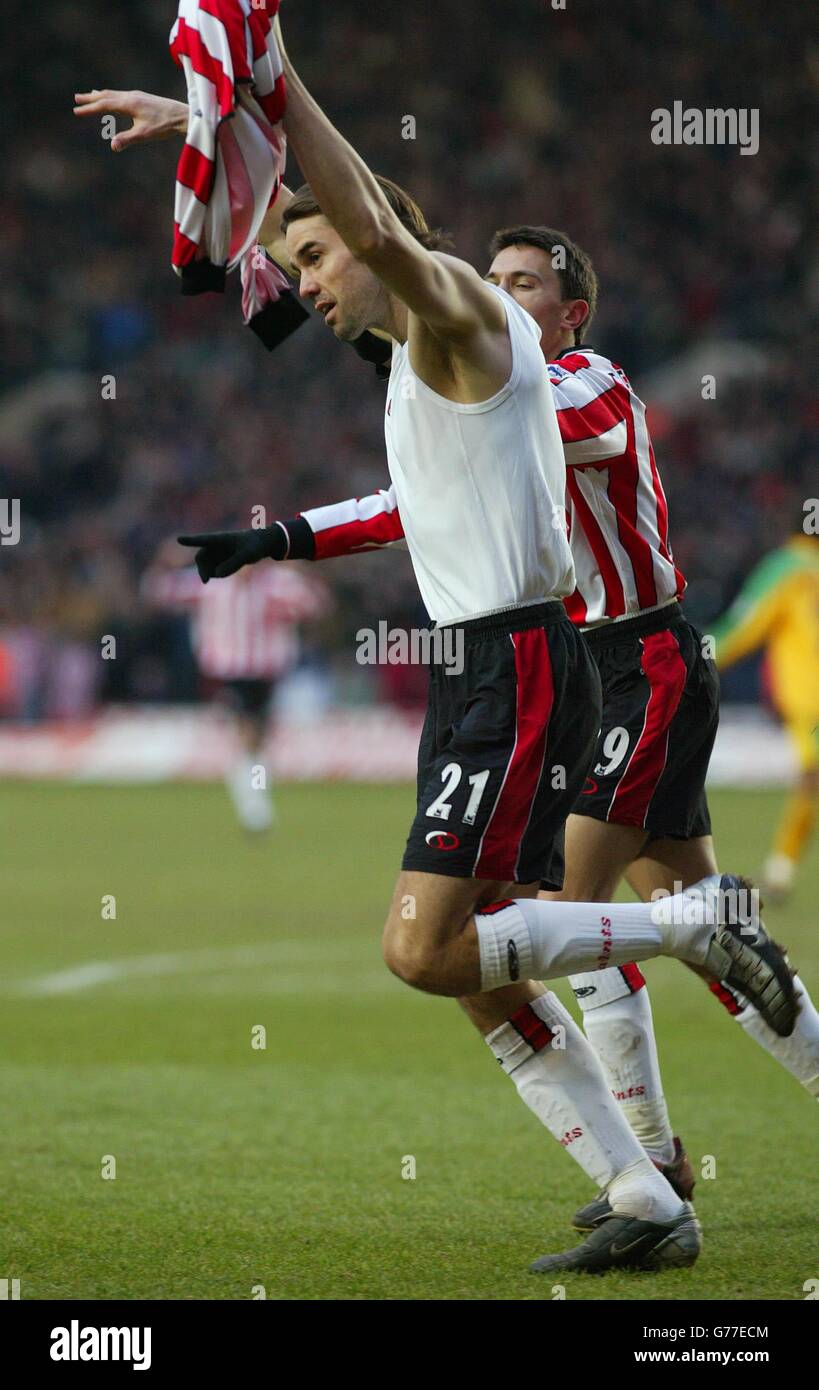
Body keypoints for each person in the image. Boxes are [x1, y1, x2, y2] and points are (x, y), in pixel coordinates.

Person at [74, 60, 796, 1274]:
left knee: (420, 951)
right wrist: (210, 135)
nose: (304, 291)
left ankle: (687, 925)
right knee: (477, 962)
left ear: (378, 239)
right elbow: (397, 466)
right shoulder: (419, 359)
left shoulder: (462, 317)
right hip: (496, 669)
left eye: (316, 264)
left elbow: (366, 220)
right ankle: (645, 1192)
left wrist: (274, 75)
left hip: (519, 666)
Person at [144, 538, 330, 832]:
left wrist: (297, 567)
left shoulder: (276, 584)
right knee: (245, 731)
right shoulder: (212, 583)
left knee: (258, 738)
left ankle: (254, 795)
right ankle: (254, 809)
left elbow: (316, 604)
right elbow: (160, 592)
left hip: (266, 672)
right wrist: (167, 562)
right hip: (226, 672)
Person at [711, 526, 819, 903]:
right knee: (812, 777)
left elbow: (745, 625)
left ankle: (781, 869)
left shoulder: (786, 566)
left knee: (812, 776)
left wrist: (698, 661)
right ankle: (781, 868)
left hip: (810, 696)